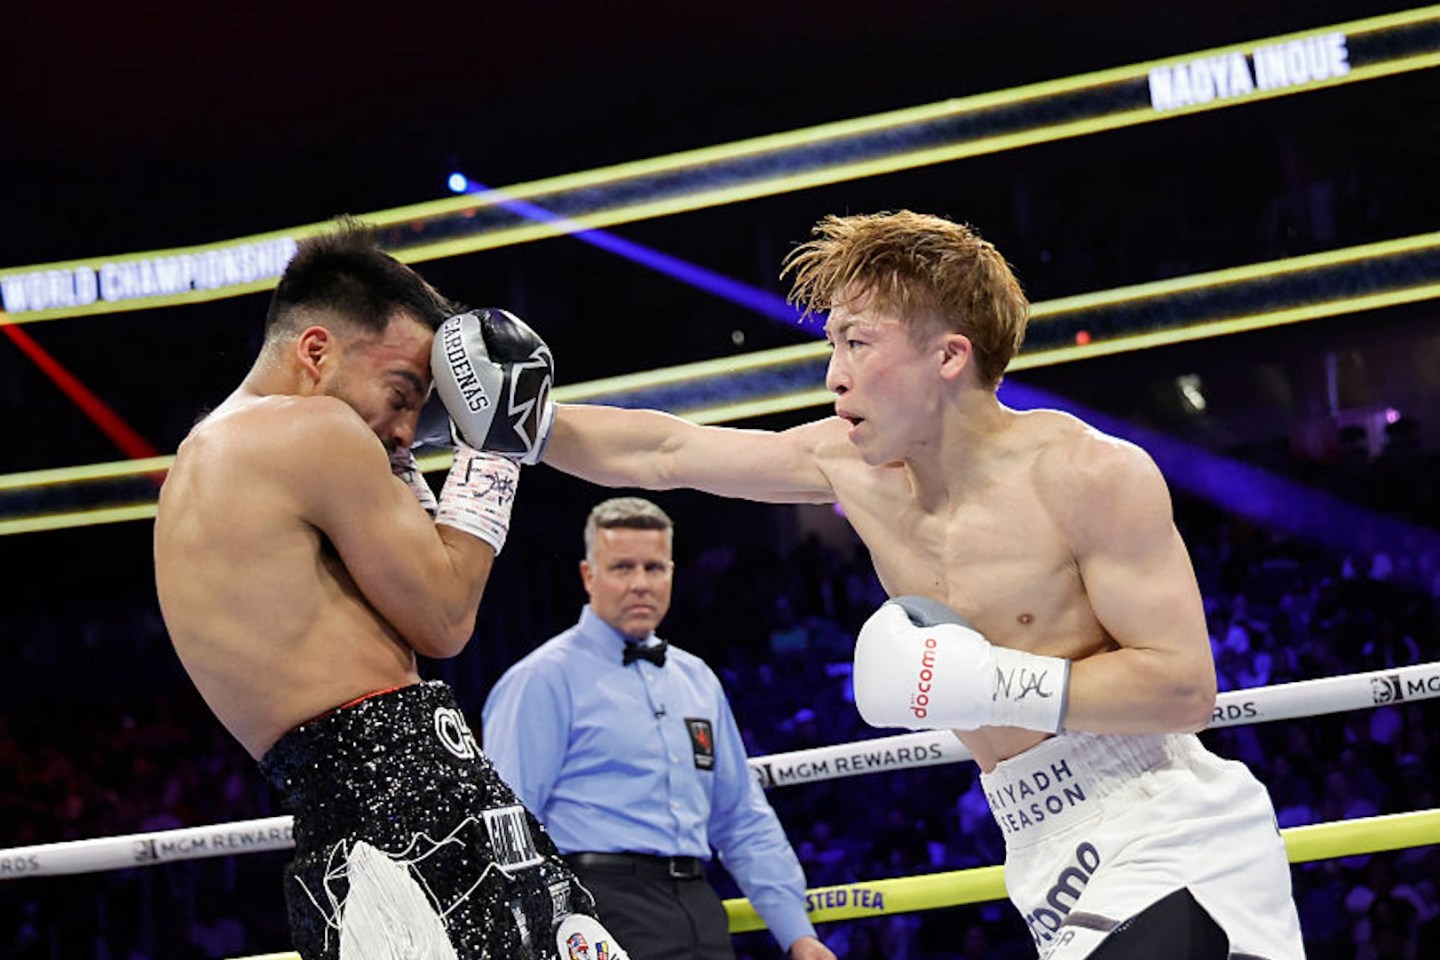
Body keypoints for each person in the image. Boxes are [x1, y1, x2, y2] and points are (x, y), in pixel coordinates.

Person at [508, 211, 1305, 958]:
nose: (833, 375)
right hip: (1034, 839)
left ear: (948, 356)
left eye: (857, 343)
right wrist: (518, 420)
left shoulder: (1088, 473)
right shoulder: (849, 466)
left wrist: (993, 683)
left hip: (1161, 821)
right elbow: (664, 454)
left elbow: (1182, 687)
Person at [153, 221, 627, 960]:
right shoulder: (314, 430)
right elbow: (444, 616)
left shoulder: (203, 457)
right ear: (316, 351)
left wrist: (408, 466)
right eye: (403, 393)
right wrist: (491, 446)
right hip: (412, 814)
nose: (408, 431)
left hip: (346, 836)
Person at [482, 497, 836, 960]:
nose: (640, 584)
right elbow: (511, 831)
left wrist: (798, 934)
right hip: (596, 907)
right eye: (623, 568)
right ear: (589, 576)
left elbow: (741, 817)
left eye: (653, 568)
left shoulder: (697, 681)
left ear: (671, 573)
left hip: (698, 906)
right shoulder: (541, 680)